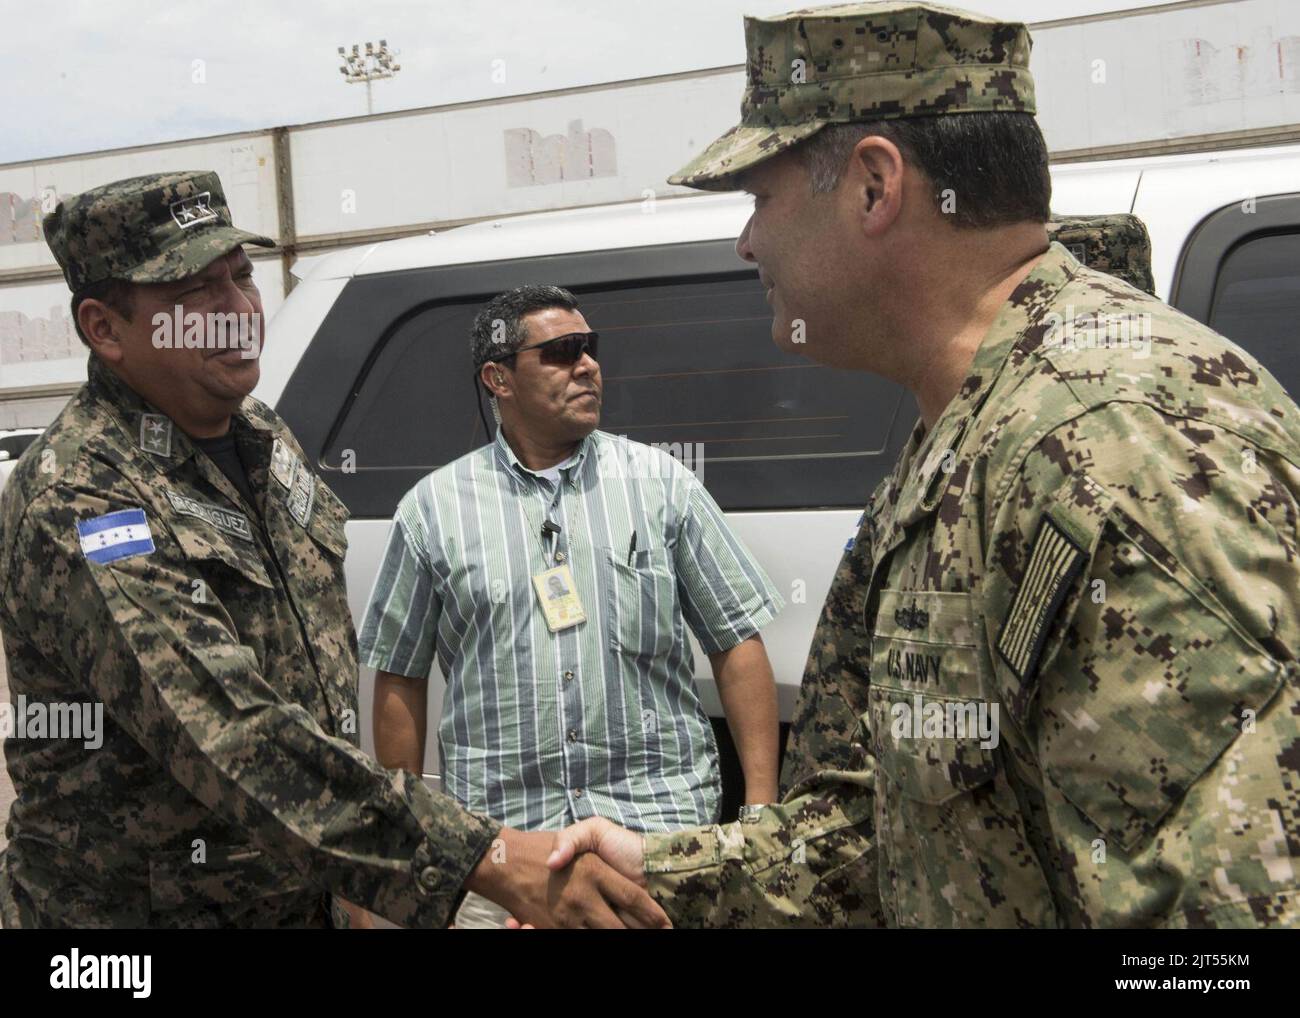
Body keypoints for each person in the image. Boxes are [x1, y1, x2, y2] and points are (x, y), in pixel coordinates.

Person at [545, 1, 1300, 928]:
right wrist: (665, 874)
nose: (748, 241)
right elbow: (896, 827)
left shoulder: (1108, 445)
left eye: (762, 197)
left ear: (873, 187)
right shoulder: (967, 433)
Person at [0, 172, 668, 930]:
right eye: (194, 293)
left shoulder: (261, 438)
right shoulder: (81, 495)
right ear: (105, 328)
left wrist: (361, 887)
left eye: (241, 275)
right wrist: (493, 863)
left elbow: (315, 690)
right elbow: (234, 733)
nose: (237, 309)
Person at [360, 285, 784, 927]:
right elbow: (400, 677)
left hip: (659, 836)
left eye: (590, 348)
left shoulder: (661, 485)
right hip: (502, 852)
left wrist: (758, 818)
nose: (587, 365)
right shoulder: (432, 512)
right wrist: (418, 848)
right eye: (560, 352)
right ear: (497, 378)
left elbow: (736, 642)